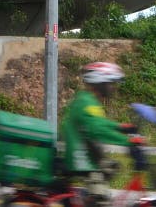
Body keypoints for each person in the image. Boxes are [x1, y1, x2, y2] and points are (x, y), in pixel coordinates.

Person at [60, 62, 147, 201]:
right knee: (101, 199)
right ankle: (95, 198)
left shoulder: (88, 100)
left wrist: (122, 127)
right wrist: (128, 140)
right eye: (110, 84)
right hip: (81, 157)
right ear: (100, 83)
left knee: (111, 167)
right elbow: (97, 130)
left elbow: (100, 123)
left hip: (87, 154)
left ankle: (87, 198)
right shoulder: (87, 102)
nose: (113, 88)